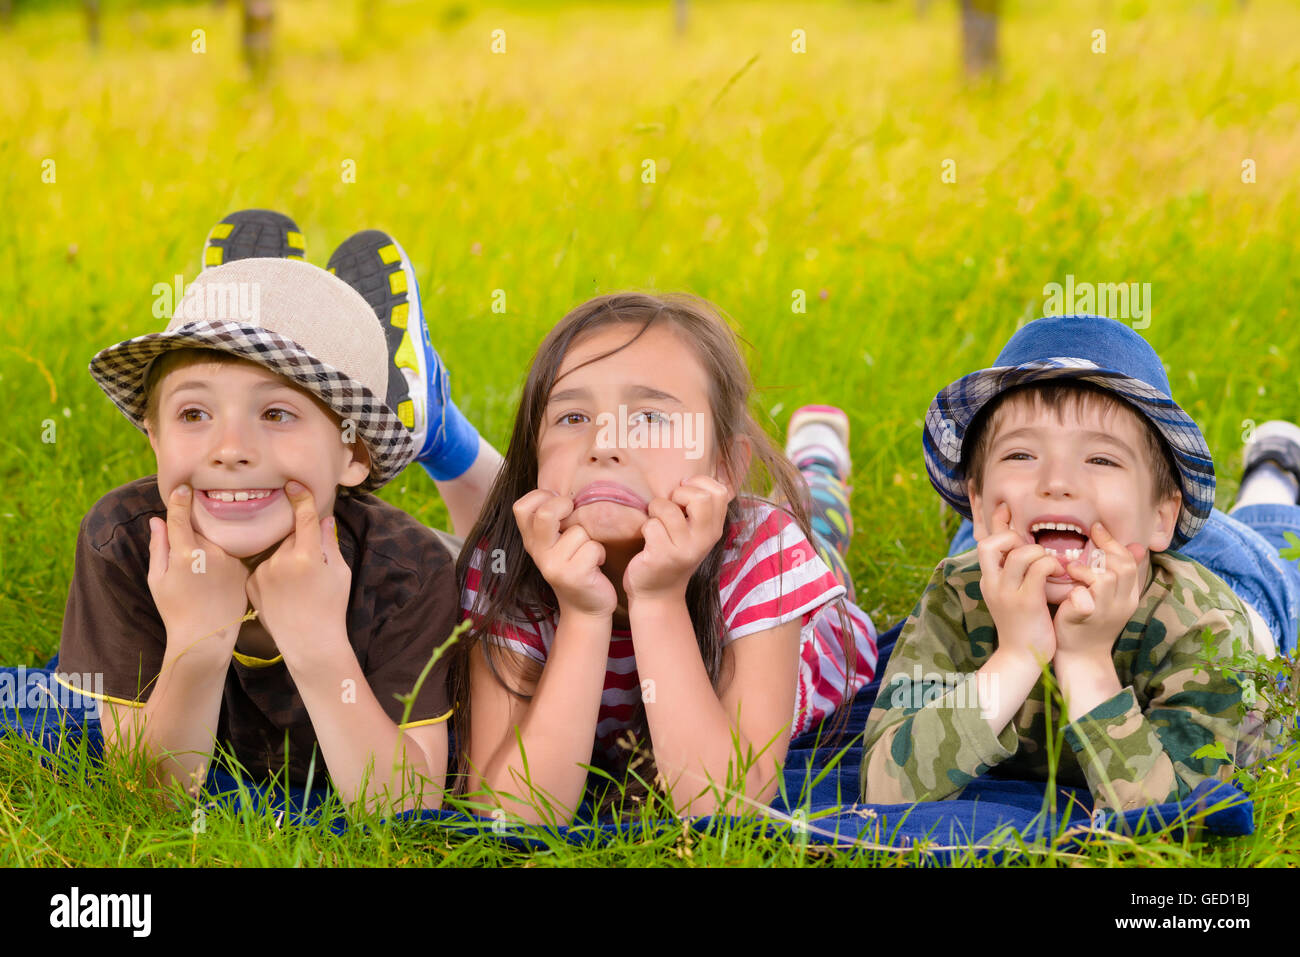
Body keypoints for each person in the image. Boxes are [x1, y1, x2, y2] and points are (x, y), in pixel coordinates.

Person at [55, 209, 496, 813]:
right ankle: (276, 309)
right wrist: (198, 640)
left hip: (450, 560)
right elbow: (147, 801)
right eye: (193, 414)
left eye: (276, 413)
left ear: (354, 455)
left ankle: (437, 427)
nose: (230, 450)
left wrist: (317, 645)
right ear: (153, 440)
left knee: (512, 559)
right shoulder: (124, 540)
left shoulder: (410, 570)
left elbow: (407, 810)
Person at [453, 294, 879, 823]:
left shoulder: (763, 551)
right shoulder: (507, 565)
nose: (604, 444)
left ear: (723, 466)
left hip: (813, 638)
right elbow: (509, 812)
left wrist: (658, 599)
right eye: (574, 415)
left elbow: (726, 808)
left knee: (818, 526)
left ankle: (819, 457)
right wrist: (583, 613)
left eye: (650, 417)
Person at [860, 314, 1286, 811]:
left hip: (1241, 580)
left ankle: (1274, 470)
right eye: (1021, 454)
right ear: (975, 501)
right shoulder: (958, 595)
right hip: (1083, 526)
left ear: (1162, 515)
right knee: (1010, 528)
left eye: (1101, 459)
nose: (1057, 479)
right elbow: (884, 787)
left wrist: (1086, 661)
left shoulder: (1205, 625)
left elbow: (1171, 812)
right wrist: (1018, 653)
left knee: (1275, 540)